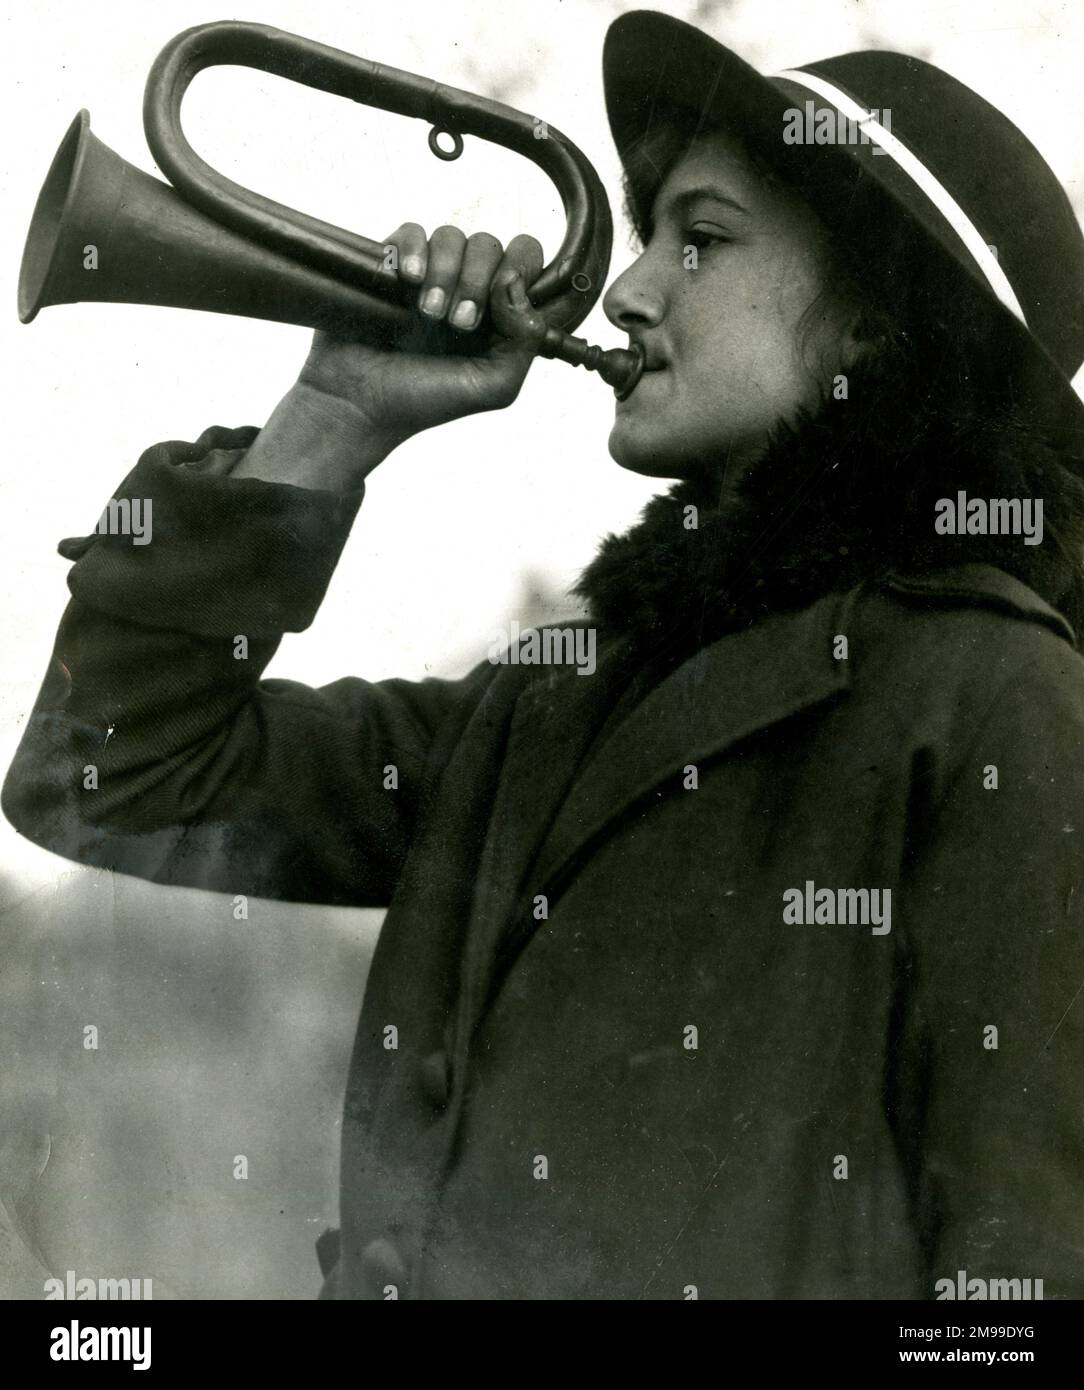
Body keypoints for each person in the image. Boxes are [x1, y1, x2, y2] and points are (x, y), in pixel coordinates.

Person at [6, 8, 1084, 1299]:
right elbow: (109, 773)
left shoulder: (999, 701)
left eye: (703, 240)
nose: (628, 289)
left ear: (873, 331)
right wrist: (333, 419)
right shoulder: (553, 703)